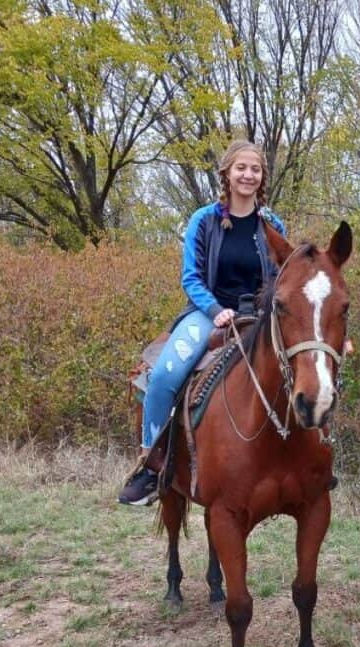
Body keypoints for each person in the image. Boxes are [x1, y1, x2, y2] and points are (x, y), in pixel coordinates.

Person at [118, 140, 285, 505]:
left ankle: (307, 465)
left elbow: (279, 277)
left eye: (255, 169)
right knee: (162, 378)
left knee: (306, 369)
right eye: (241, 168)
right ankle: (152, 466)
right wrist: (215, 311)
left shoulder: (272, 224)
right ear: (227, 173)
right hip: (207, 314)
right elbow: (191, 277)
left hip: (258, 317)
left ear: (262, 176)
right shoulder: (203, 220)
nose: (248, 175)